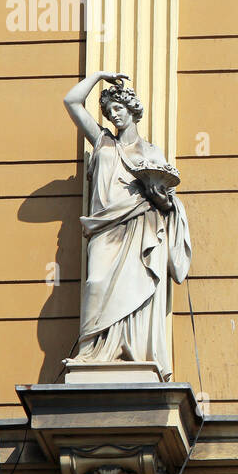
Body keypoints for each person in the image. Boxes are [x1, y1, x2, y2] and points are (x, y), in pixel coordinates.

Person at [63, 71, 191, 380]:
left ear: (132, 109)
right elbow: (71, 101)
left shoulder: (151, 153)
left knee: (137, 288)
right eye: (109, 111)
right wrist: (99, 76)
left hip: (141, 225)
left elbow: (167, 202)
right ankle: (93, 351)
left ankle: (131, 353)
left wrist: (160, 198)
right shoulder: (102, 141)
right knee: (96, 284)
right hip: (105, 229)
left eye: (119, 108)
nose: (114, 115)